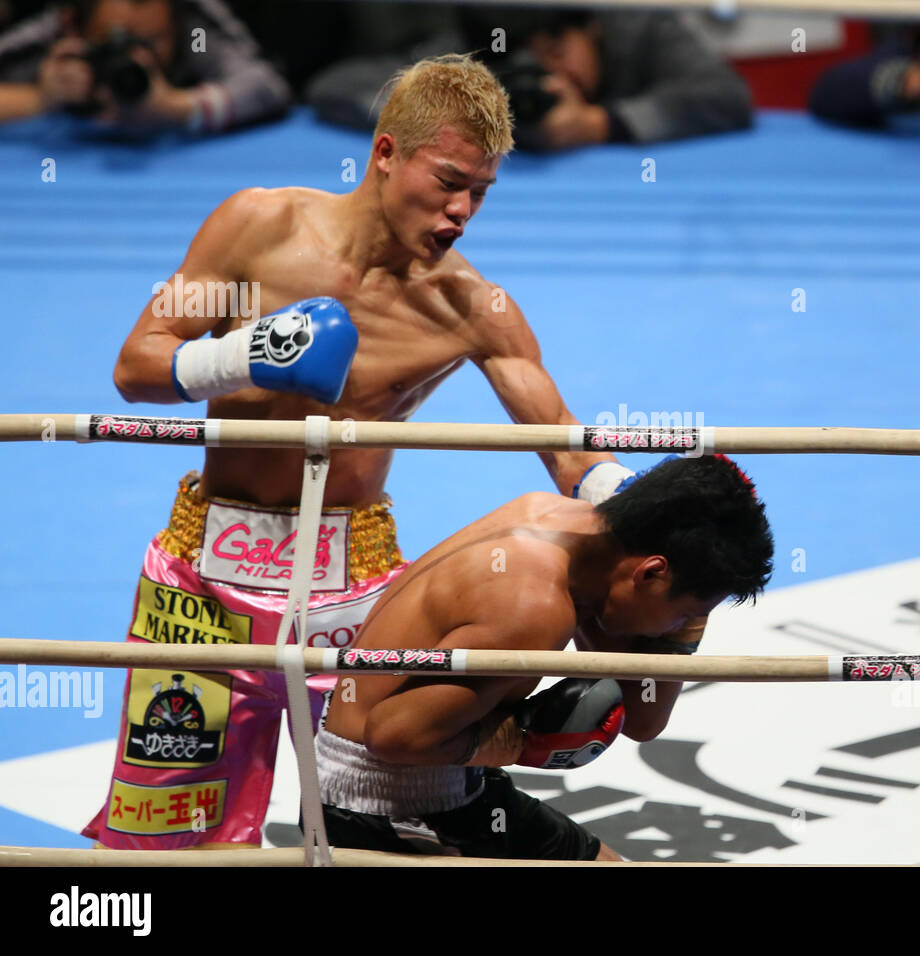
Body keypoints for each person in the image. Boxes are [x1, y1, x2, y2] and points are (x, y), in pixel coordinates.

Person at [82, 54, 651, 850]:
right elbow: (136, 363)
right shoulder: (256, 227)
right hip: (202, 583)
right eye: (449, 180)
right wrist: (246, 354)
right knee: (173, 844)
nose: (462, 211)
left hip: (353, 598)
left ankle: (501, 745)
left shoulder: (469, 308)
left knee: (378, 829)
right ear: (385, 153)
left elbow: (566, 448)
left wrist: (656, 512)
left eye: (480, 193)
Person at [317, 454, 774, 861]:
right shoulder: (532, 608)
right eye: (684, 616)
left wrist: (695, 602)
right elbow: (395, 737)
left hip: (450, 786)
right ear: (651, 571)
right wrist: (515, 742)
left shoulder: (571, 529)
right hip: (385, 809)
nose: (675, 632)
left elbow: (642, 717)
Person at [307, 6, 752, 150]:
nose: (549, 72)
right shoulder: (464, 47)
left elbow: (726, 95)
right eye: (527, 58)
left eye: (558, 50)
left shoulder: (638, 25)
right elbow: (334, 87)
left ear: (591, 28)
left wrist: (599, 124)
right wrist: (453, 114)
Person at [0, 0, 289, 133]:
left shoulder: (193, 30)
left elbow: (268, 85)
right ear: (74, 29)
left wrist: (177, 106)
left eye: (151, 42)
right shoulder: (58, 33)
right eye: (114, 41)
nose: (135, 56)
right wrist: (40, 99)